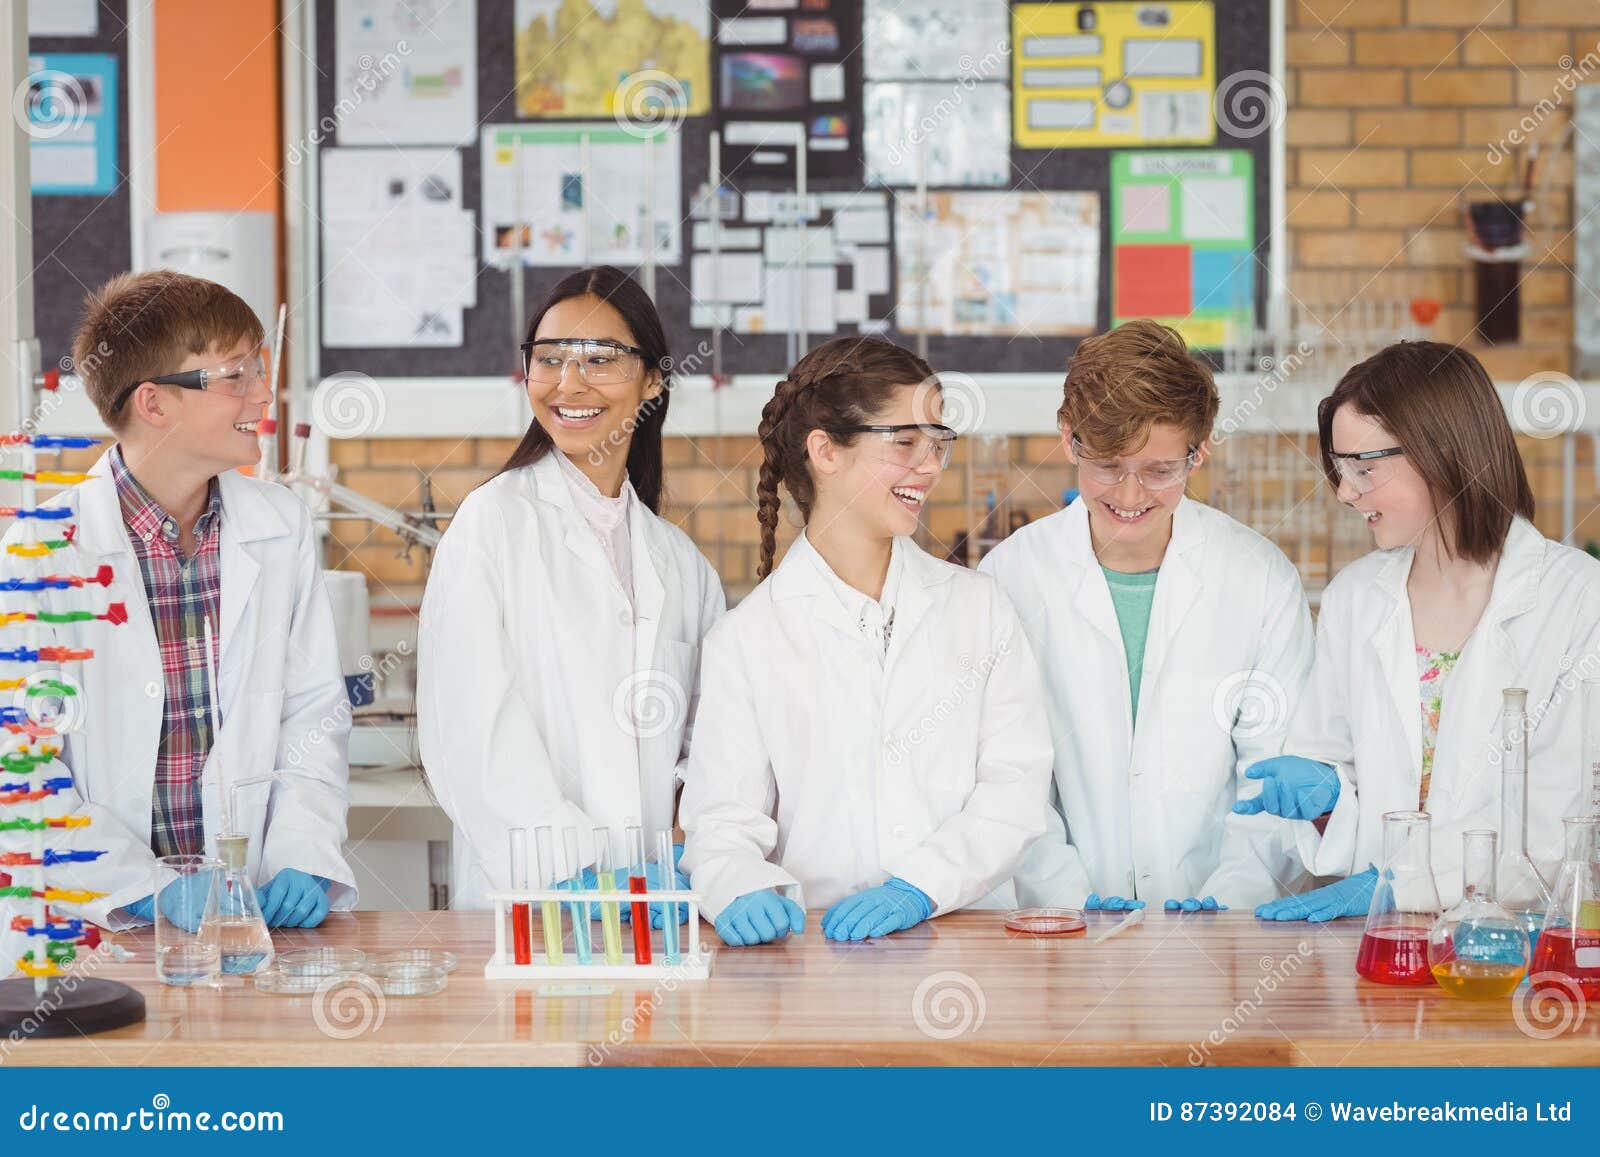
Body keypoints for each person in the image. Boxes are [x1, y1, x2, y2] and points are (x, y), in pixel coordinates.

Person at [0, 270, 356, 934]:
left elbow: (313, 711)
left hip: (248, 921)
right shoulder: (41, 552)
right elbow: (22, 761)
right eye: (235, 376)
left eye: (259, 368)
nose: (260, 392)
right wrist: (146, 890)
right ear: (154, 404)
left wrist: (303, 853)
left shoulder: (279, 525)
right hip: (95, 927)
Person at [679, 336, 1052, 946]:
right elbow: (723, 821)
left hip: (965, 940)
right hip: (819, 953)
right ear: (825, 450)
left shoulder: (978, 607)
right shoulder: (747, 639)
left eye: (939, 444)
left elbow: (1016, 786)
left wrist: (922, 886)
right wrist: (734, 884)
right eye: (905, 442)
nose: (930, 466)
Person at [1249, 341, 1598, 920]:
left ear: (1443, 452)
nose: (1345, 492)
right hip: (1383, 945)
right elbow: (1338, 776)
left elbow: (1556, 832)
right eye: (1340, 470)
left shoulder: (1577, 599)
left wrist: (1398, 886)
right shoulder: (1354, 598)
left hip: (1510, 951)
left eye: (1365, 469)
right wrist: (1330, 800)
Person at [417, 266, 725, 915]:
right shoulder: (491, 523)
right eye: (549, 358)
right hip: (531, 901)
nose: (569, 383)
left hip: (655, 901)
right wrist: (566, 869)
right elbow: (472, 728)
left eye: (600, 359)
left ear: (652, 380)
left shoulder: (680, 564)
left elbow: (712, 732)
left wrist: (683, 838)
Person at [981, 319, 1315, 914]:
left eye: (1160, 471)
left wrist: (1231, 897)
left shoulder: (1259, 579)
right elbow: (1008, 780)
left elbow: (1273, 773)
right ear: (1069, 439)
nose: (1131, 497)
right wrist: (1067, 899)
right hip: (1062, 932)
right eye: (1107, 466)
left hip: (1222, 933)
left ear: (1200, 450)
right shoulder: (1010, 579)